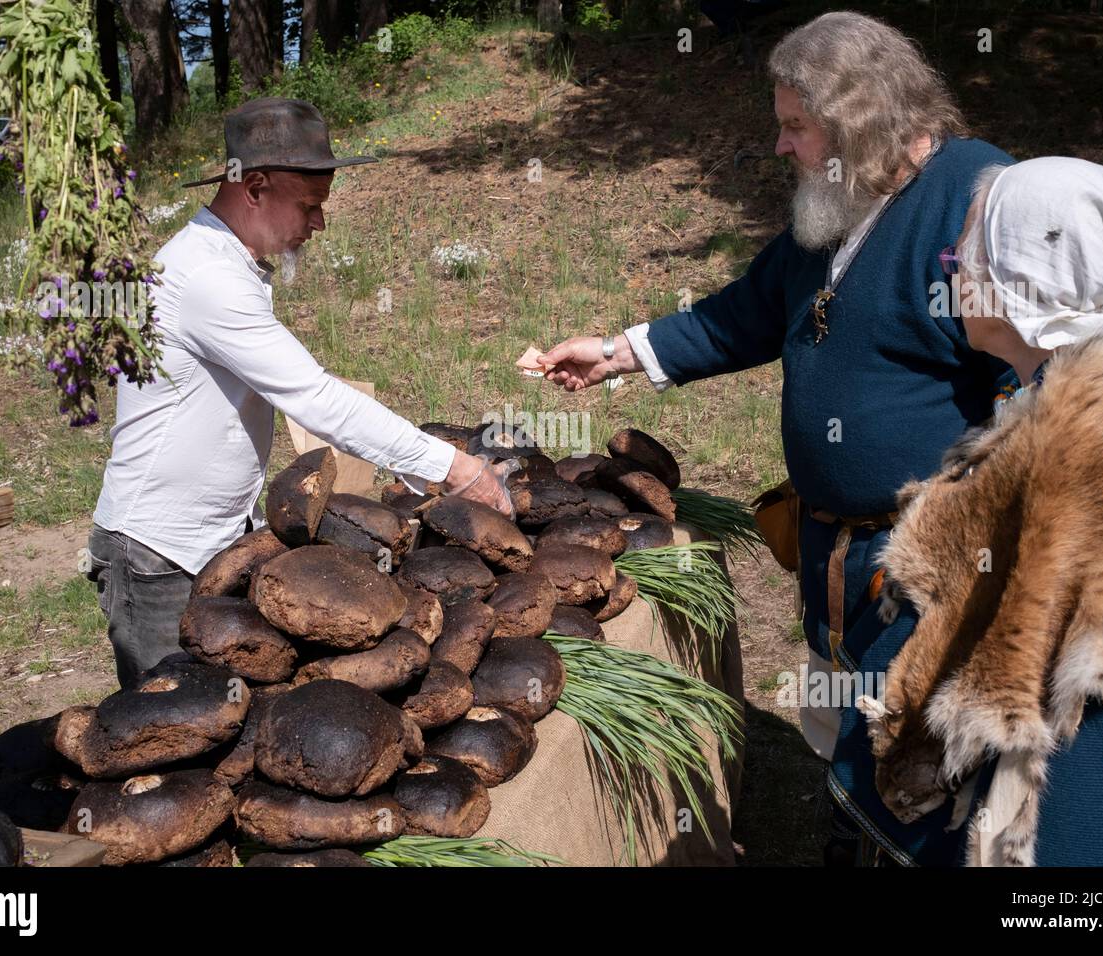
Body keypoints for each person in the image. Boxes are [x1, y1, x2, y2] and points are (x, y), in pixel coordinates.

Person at [537, 11, 1013, 864]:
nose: (783, 145)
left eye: (796, 124)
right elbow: (747, 314)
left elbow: (1030, 374)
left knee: (929, 750)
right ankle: (851, 829)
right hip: (835, 555)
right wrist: (615, 354)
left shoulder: (976, 198)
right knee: (849, 724)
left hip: (929, 562)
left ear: (859, 116)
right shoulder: (838, 205)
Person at [87, 98, 512, 690]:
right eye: (310, 206)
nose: (318, 224)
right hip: (160, 553)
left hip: (210, 537)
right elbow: (313, 398)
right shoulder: (207, 275)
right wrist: (454, 467)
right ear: (254, 187)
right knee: (171, 721)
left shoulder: (228, 262)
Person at [852, 156, 1103, 865]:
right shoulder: (1086, 381)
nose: (950, 275)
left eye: (961, 257)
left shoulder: (1090, 427)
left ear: (1017, 279)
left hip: (1093, 777)